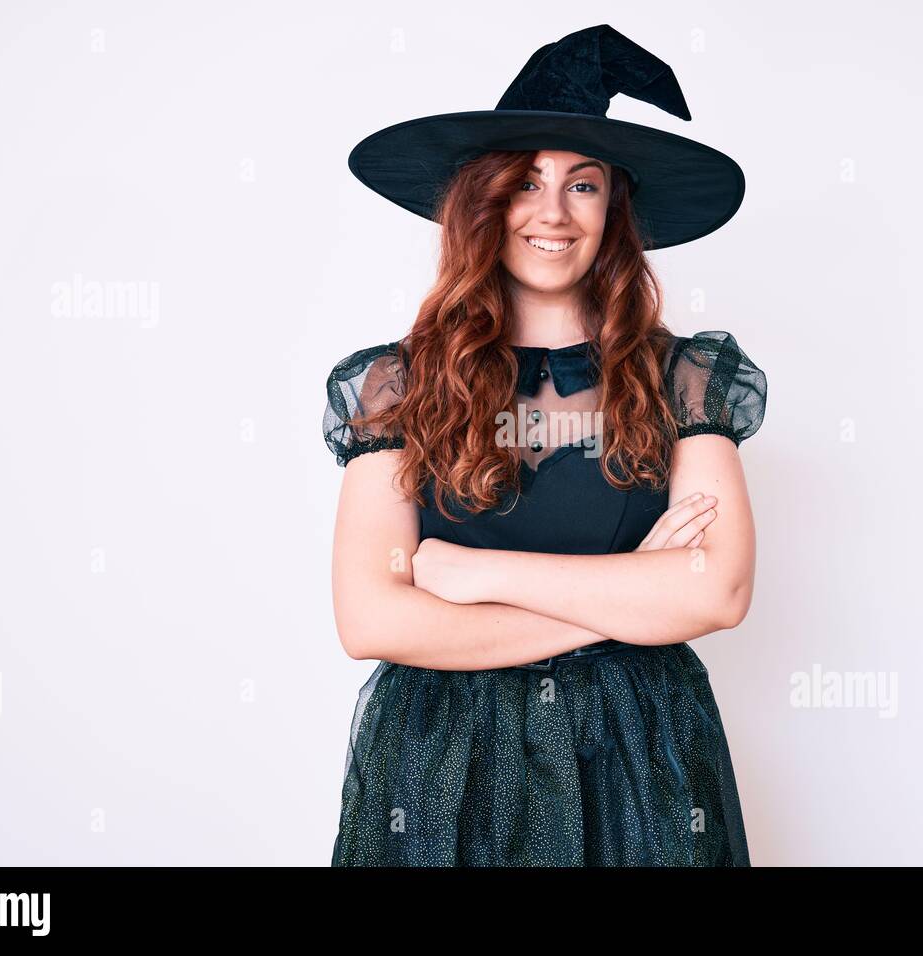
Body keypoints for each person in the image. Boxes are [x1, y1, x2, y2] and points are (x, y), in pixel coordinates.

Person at [323, 24, 766, 866]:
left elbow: (717, 593)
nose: (554, 212)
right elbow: (370, 617)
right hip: (445, 766)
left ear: (615, 210)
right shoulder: (396, 385)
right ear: (485, 203)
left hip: (642, 757)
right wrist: (632, 596)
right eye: (527, 181)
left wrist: (471, 575)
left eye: (584, 184)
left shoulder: (685, 379)